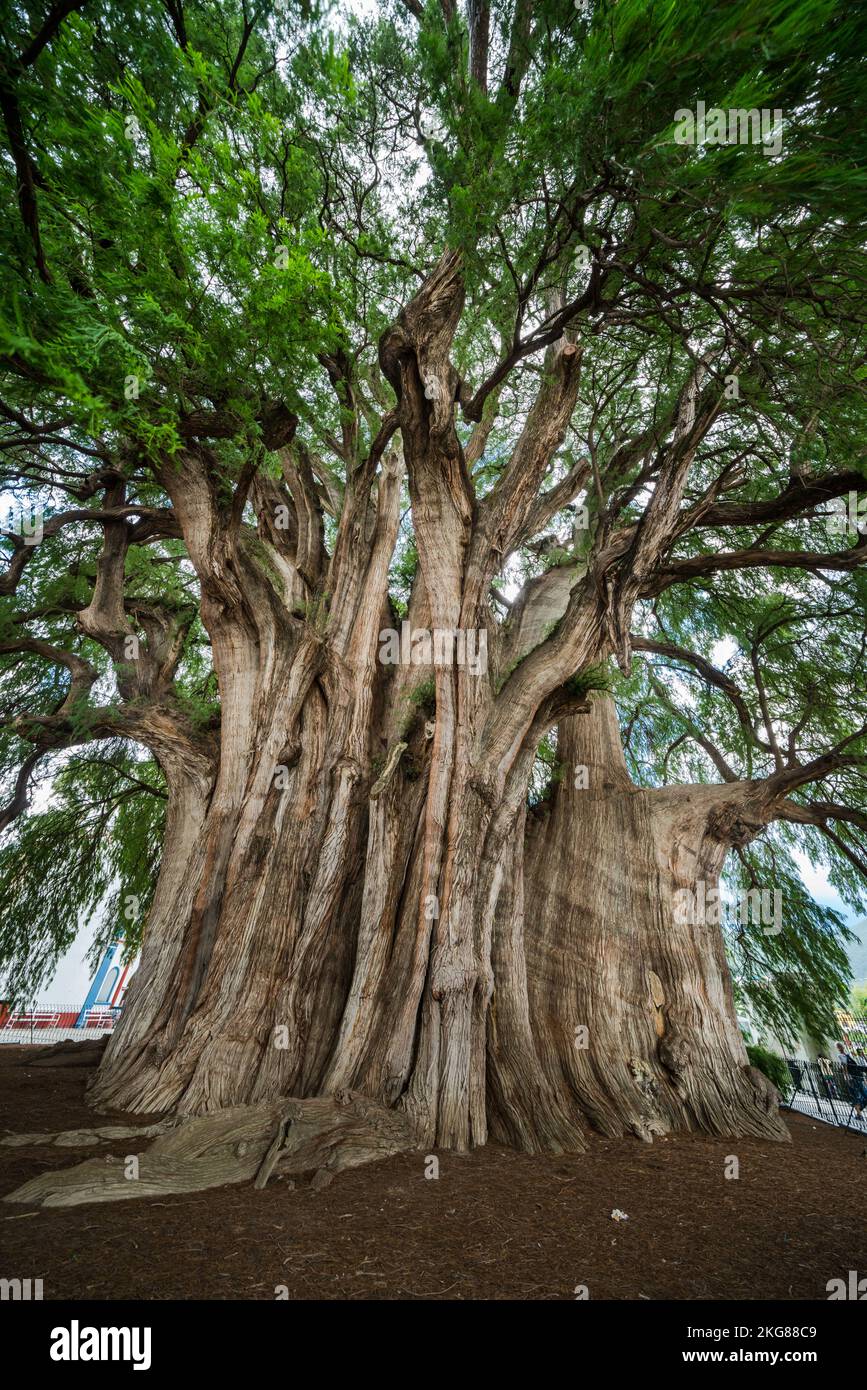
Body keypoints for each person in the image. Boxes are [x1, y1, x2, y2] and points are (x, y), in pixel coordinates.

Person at [835, 1041, 867, 1118]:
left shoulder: (849, 1054)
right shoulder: (841, 1056)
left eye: (841, 1045)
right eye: (839, 1046)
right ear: (837, 1048)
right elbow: (844, 1067)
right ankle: (859, 1114)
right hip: (852, 1078)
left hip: (858, 1077)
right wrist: (847, 1078)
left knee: (865, 1095)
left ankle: (858, 1110)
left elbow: (857, 1064)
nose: (841, 1047)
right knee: (856, 1096)